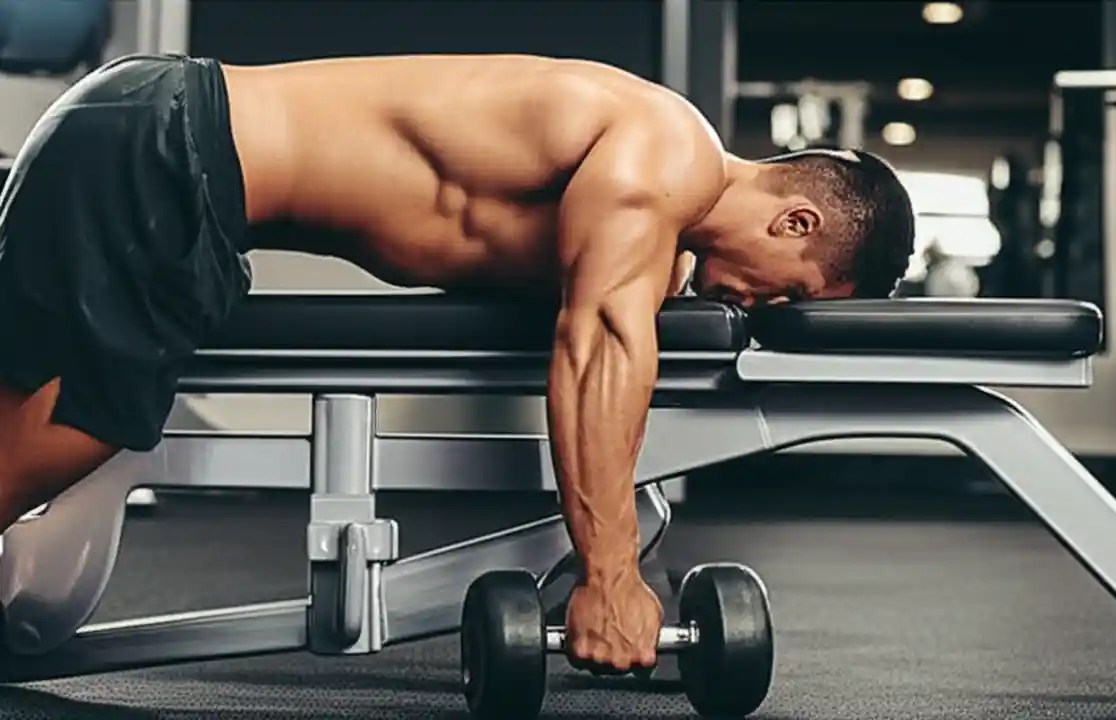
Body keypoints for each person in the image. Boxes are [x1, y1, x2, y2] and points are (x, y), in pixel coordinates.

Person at [0, 53, 915, 675]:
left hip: (147, 134)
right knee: (75, 428)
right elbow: (597, 344)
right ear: (798, 223)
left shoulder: (649, 199)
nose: (762, 307)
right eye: (791, 291)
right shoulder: (668, 151)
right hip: (167, 149)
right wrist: (609, 575)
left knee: (38, 425)